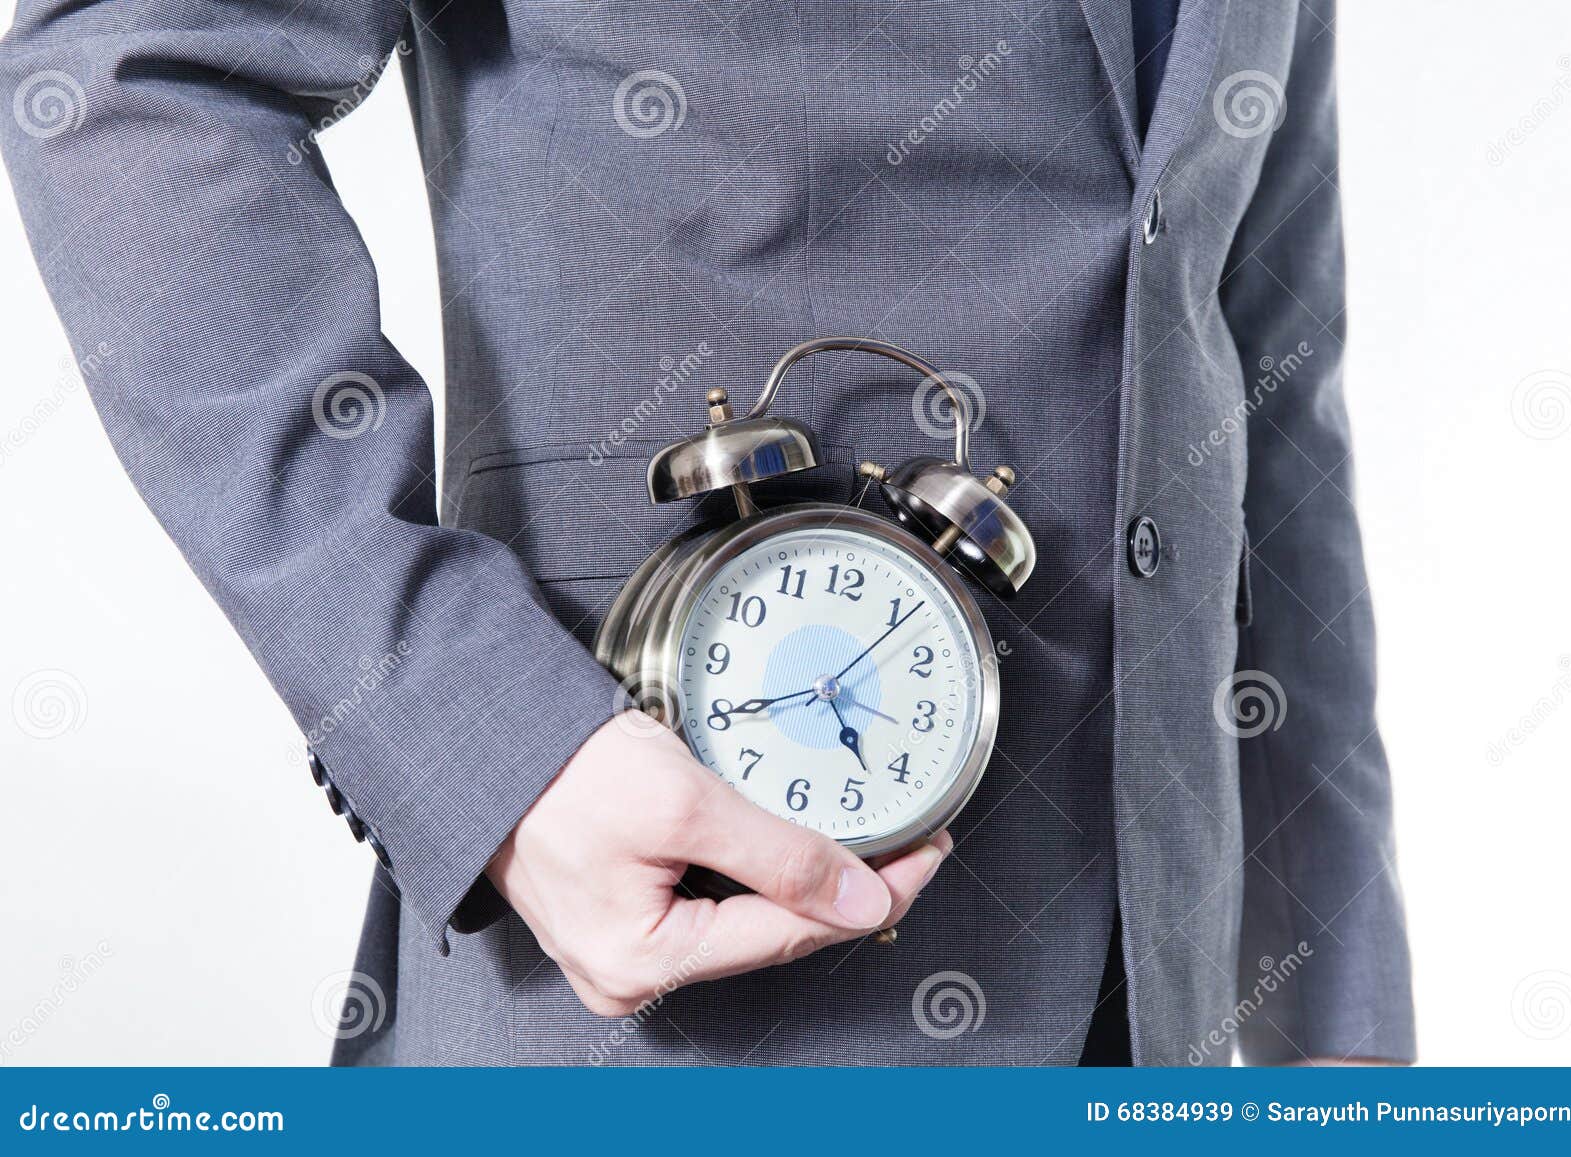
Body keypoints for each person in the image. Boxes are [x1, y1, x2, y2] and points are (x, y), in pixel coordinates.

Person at [0, 0, 1412, 1065]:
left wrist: (1352, 1073)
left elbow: (1262, 386)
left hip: (1153, 1035)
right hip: (659, 1019)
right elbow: (126, 77)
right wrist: (491, 740)